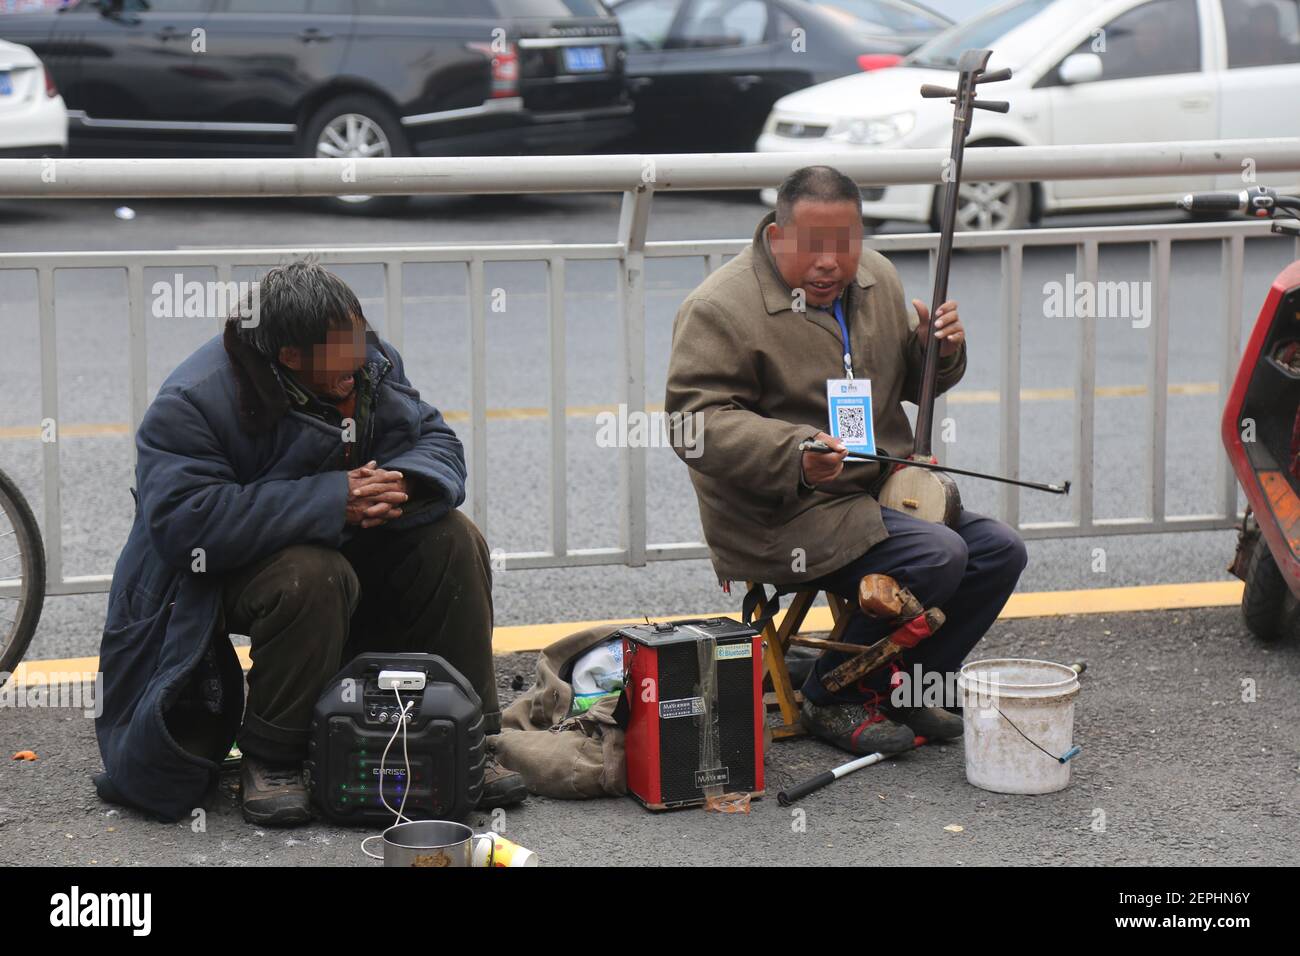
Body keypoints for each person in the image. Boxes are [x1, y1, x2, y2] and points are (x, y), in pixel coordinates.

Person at [95, 259, 525, 827]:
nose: (357, 363)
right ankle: (272, 756)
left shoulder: (370, 360)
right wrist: (330, 500)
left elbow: (433, 439)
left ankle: (469, 732)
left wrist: (403, 485)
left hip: (341, 531)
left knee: (455, 541)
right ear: (290, 357)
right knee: (313, 574)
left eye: (358, 340)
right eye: (338, 359)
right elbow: (184, 522)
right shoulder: (194, 401)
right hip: (216, 568)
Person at [665, 165, 1028, 756]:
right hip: (781, 513)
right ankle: (832, 697)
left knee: (999, 551)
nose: (830, 262)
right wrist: (795, 454)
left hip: (878, 495)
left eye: (846, 243)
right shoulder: (720, 308)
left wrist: (942, 350)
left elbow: (917, 382)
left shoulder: (877, 279)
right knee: (939, 553)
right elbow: (693, 424)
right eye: (812, 246)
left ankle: (901, 689)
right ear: (777, 236)